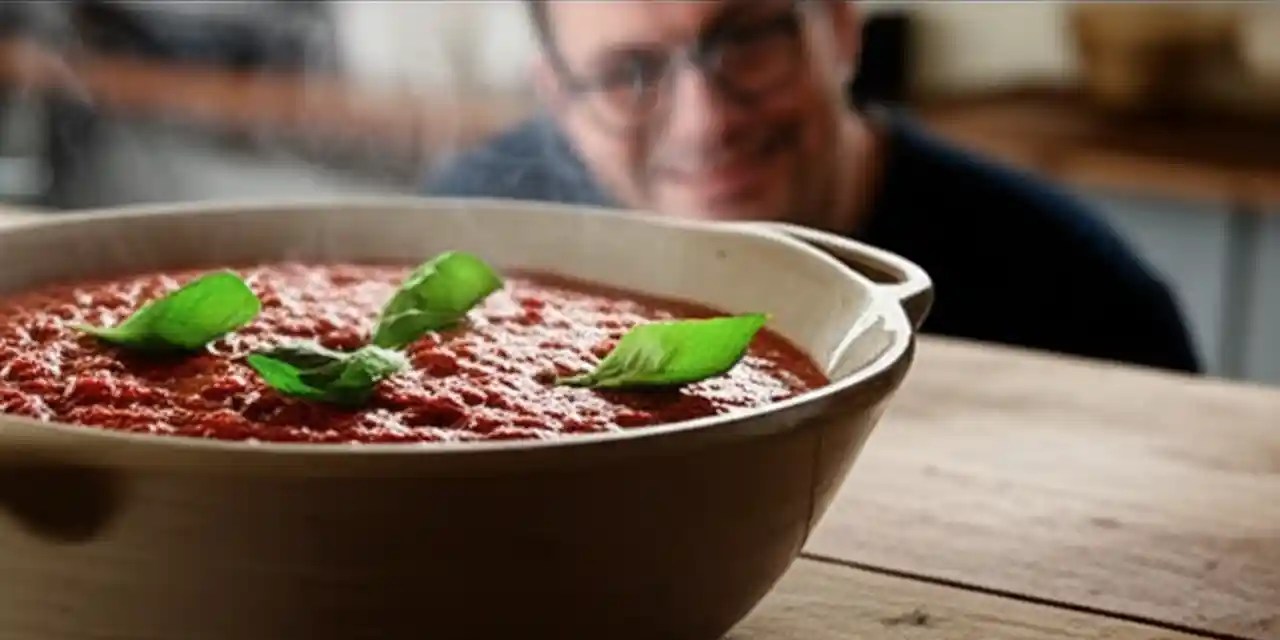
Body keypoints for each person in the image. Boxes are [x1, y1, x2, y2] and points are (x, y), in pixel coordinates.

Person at [424, 0, 1202, 374]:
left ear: (839, 26)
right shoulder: (457, 246)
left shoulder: (1084, 302)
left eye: (748, 38)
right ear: (560, 99)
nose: (707, 121)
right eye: (630, 73)